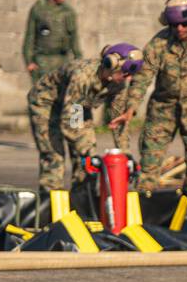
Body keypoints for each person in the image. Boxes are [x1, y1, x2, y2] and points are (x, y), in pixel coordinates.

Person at [109, 0, 187, 211]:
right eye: (175, 25)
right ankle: (142, 212)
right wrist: (130, 108)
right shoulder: (159, 44)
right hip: (162, 109)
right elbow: (142, 78)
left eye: (185, 23)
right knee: (149, 163)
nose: (181, 29)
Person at [28, 43, 142, 191]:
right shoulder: (82, 76)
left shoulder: (119, 83)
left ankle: (81, 200)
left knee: (86, 163)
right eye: (126, 73)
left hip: (79, 106)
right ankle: (51, 202)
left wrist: (126, 155)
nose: (128, 78)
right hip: (47, 103)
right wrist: (85, 152)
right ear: (110, 65)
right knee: (54, 155)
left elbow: (118, 121)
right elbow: (70, 122)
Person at [23, 0, 82, 84]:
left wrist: (79, 62)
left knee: (62, 97)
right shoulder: (39, 8)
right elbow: (30, 36)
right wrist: (29, 61)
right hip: (42, 62)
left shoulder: (68, 12)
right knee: (41, 98)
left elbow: (74, 40)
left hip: (62, 61)